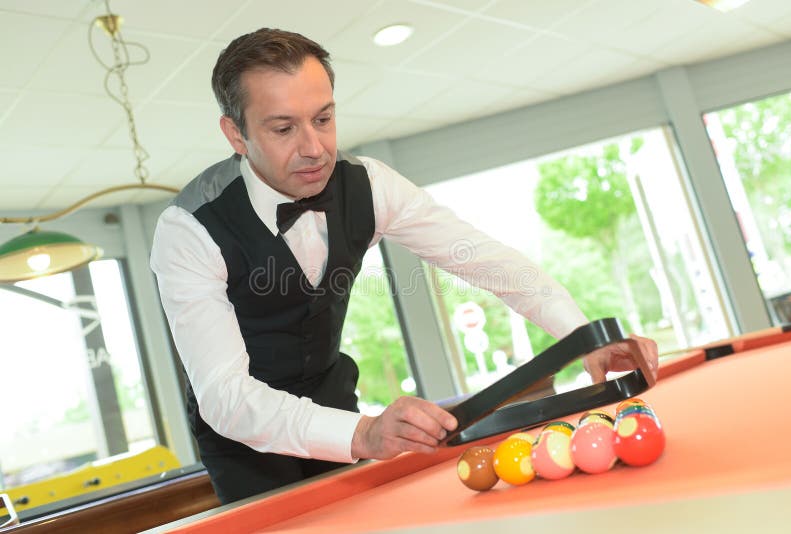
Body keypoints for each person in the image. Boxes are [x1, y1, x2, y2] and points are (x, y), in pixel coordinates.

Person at [150, 28, 659, 504]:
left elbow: (483, 258)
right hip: (243, 442)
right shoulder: (187, 230)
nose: (314, 148)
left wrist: (582, 334)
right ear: (235, 134)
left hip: (331, 394)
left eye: (324, 119)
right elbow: (225, 397)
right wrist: (364, 433)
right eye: (283, 128)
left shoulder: (370, 184)